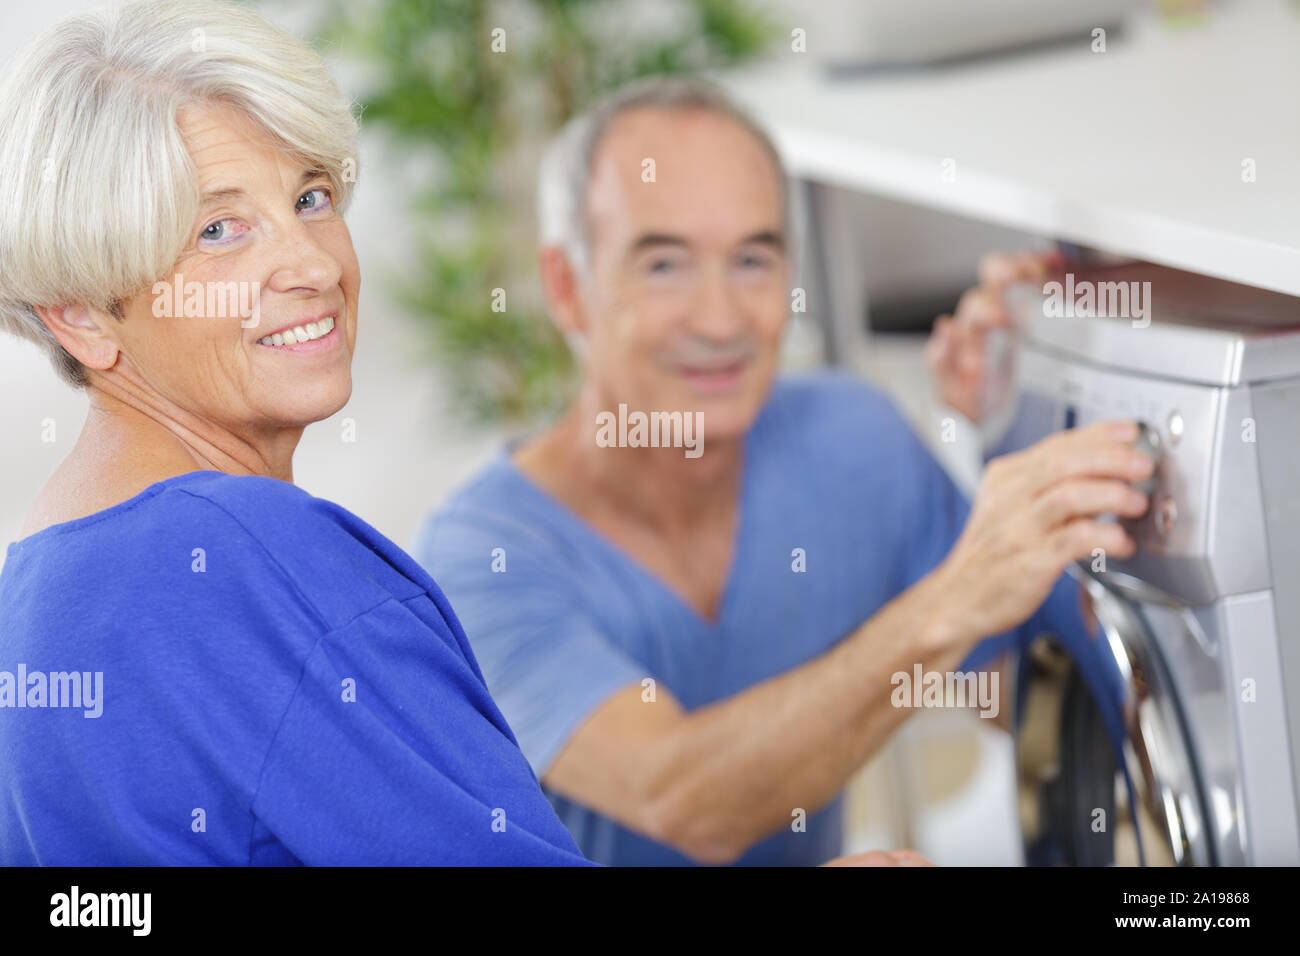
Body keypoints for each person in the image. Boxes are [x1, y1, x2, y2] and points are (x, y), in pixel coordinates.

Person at [416, 77, 1151, 866]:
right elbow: (685, 797)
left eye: (753, 260)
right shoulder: (480, 558)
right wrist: (951, 601)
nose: (722, 319)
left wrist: (1015, 426)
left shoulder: (851, 441)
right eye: (664, 264)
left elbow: (1028, 702)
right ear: (568, 288)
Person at [0, 0, 597, 866]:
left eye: (311, 198)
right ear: (83, 317)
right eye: (219, 229)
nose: (317, 264)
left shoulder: (36, 588)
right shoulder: (251, 559)